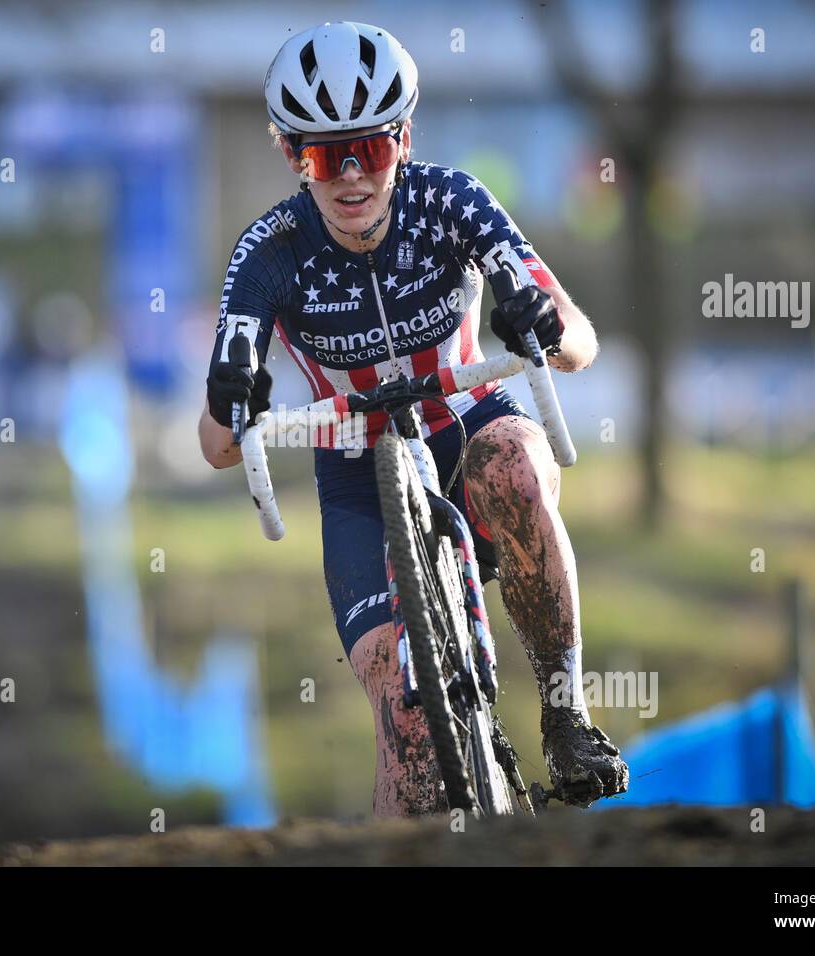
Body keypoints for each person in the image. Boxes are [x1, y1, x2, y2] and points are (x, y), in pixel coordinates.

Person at [199, 20, 628, 815]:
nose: (352, 175)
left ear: (404, 138)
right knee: (401, 705)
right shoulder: (268, 253)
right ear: (293, 156)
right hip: (359, 471)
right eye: (325, 155)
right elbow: (219, 447)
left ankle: (566, 714)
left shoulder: (451, 201)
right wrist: (233, 397)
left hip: (469, 420)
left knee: (514, 467)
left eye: (373, 147)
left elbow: (581, 344)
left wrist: (541, 321)